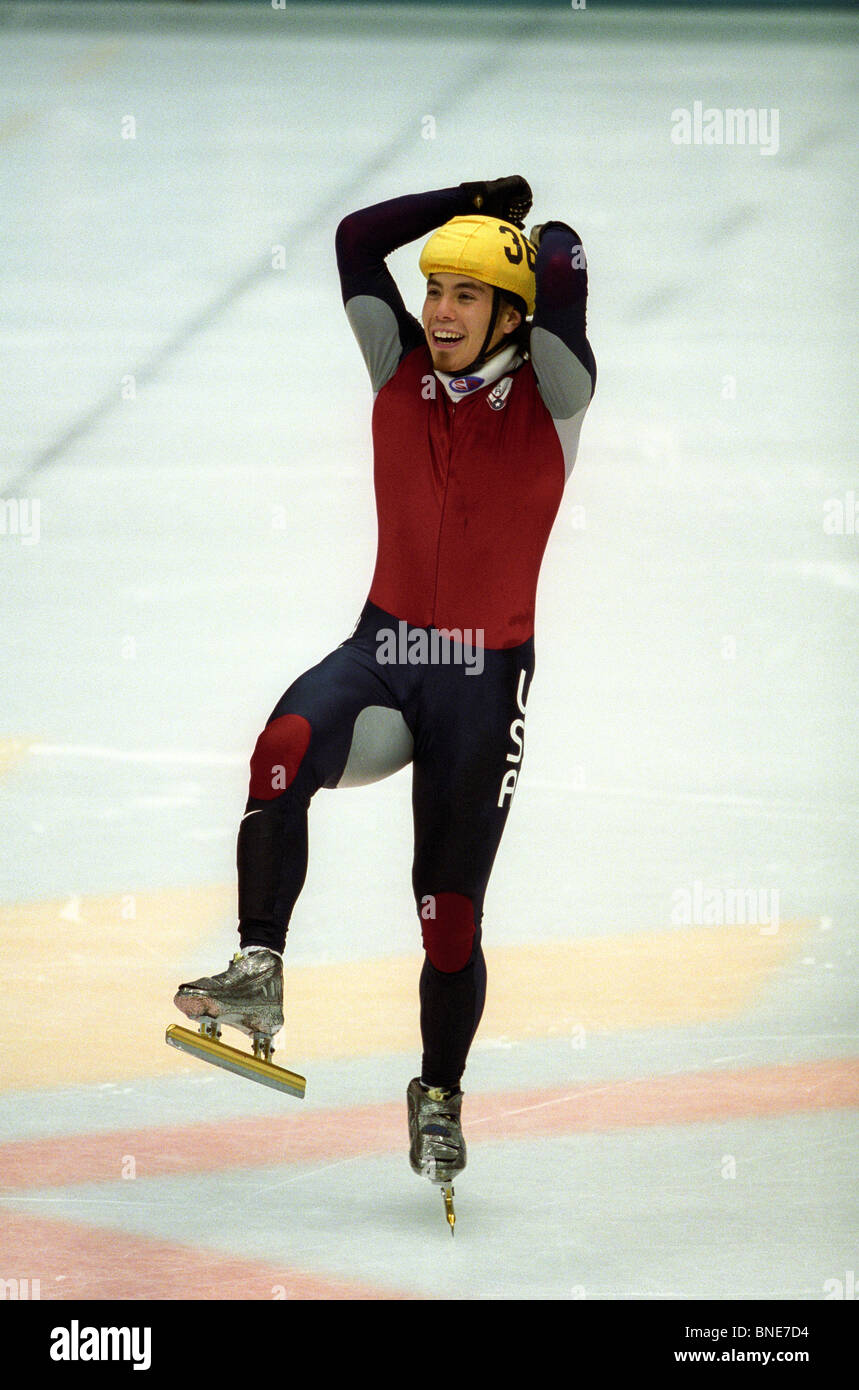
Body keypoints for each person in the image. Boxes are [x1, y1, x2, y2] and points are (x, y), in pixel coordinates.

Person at [175, 175, 596, 1201]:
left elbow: (564, 257)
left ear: (508, 312)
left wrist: (529, 236)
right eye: (433, 290)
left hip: (482, 677)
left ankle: (439, 1097)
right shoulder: (397, 367)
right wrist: (466, 197)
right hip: (388, 652)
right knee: (280, 747)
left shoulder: (555, 395)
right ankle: (260, 970)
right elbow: (358, 241)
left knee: (449, 916)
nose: (439, 312)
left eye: (463, 295)